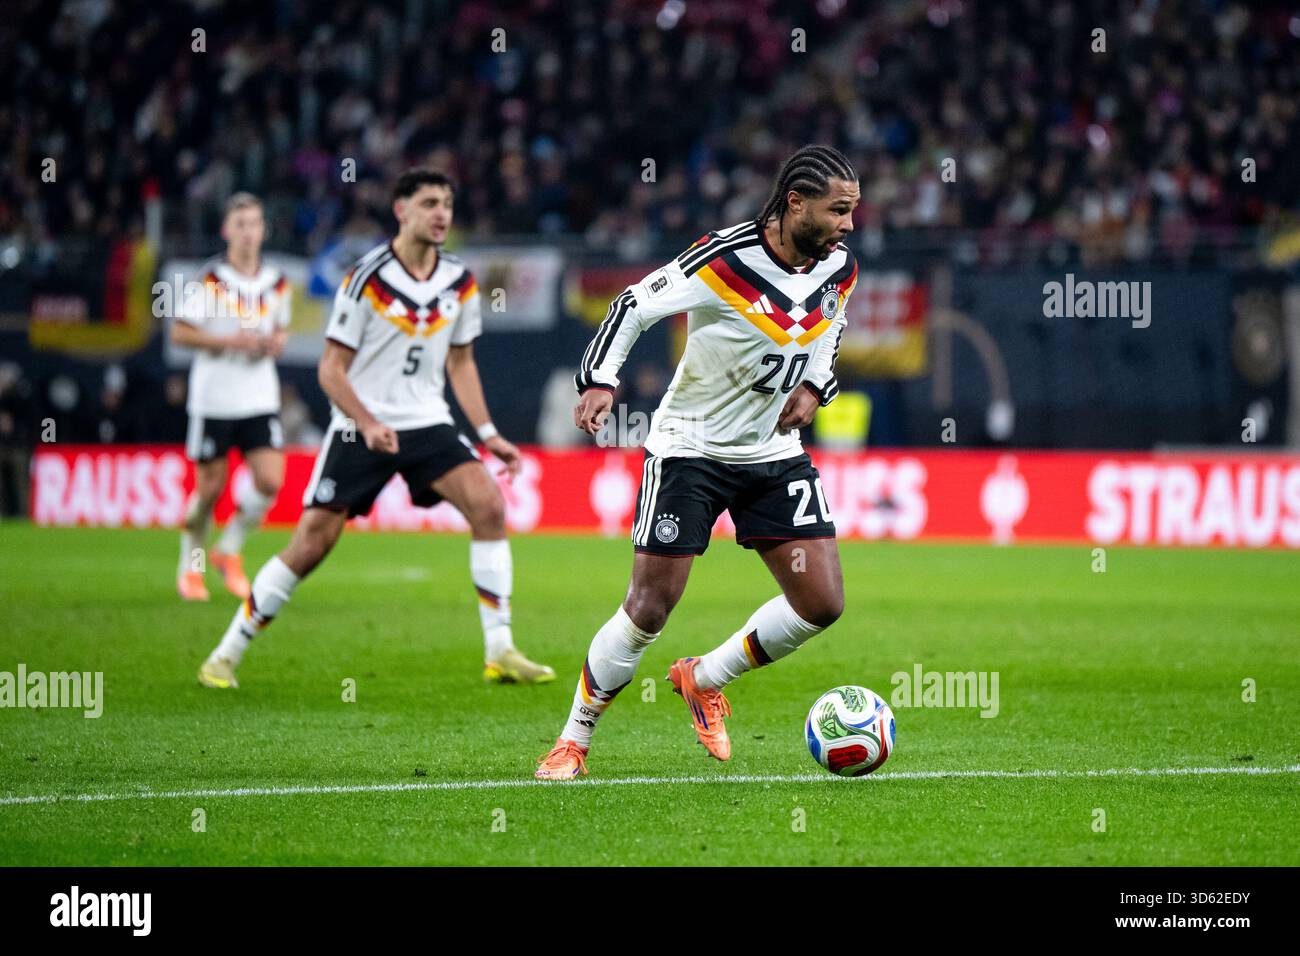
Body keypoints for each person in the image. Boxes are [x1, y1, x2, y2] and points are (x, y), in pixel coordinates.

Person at [536, 145, 860, 779]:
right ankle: (575, 738)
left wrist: (817, 387)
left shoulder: (840, 266)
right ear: (796, 204)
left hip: (771, 452)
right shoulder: (723, 258)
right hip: (692, 448)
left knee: (821, 602)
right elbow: (633, 305)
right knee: (650, 606)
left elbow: (832, 327)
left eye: (853, 211)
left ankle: (704, 677)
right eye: (839, 210)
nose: (849, 224)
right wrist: (599, 379)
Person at [198, 168, 554, 689]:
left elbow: (461, 363)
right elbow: (330, 370)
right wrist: (366, 423)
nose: (441, 214)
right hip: (360, 426)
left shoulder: (460, 280)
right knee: (312, 543)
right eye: (429, 203)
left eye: (448, 205)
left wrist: (487, 431)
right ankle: (225, 654)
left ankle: (500, 649)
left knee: (489, 505)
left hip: (428, 422)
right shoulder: (365, 278)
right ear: (401, 210)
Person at [171, 192, 289, 601]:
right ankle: (192, 567)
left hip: (259, 397)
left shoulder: (277, 282)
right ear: (226, 231)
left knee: (271, 480)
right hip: (215, 399)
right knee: (209, 491)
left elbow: (282, 331)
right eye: (239, 224)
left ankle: (228, 551)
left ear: (264, 230)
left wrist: (276, 345)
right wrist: (227, 341)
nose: (247, 232)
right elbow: (179, 332)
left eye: (254, 224)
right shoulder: (211, 280)